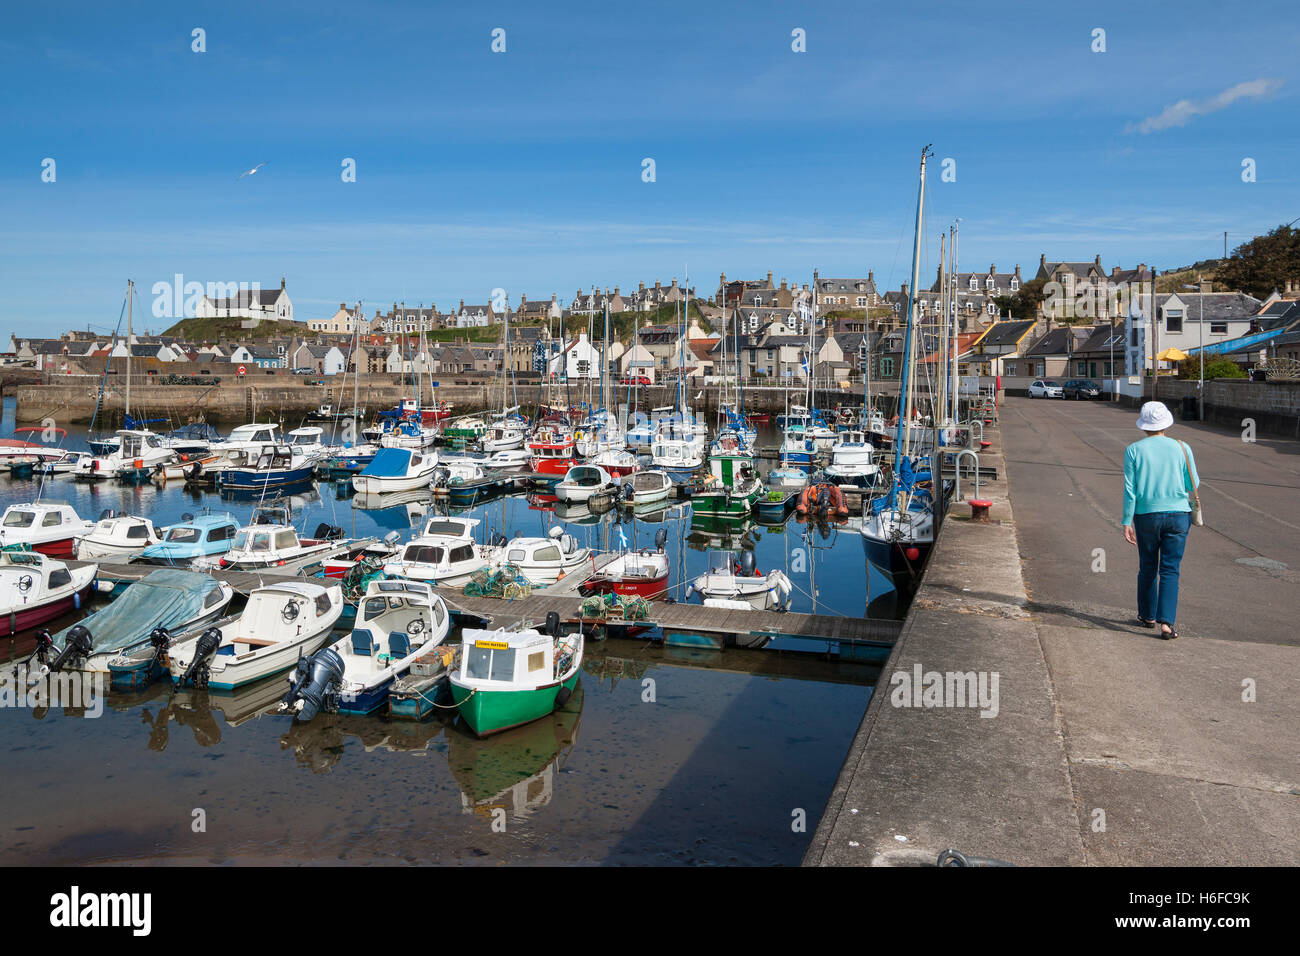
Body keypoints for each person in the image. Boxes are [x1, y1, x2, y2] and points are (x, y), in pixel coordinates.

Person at [1121, 401, 1200, 639]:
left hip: (1146, 516)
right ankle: (1167, 623)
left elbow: (1130, 490)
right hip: (1178, 515)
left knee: (1147, 567)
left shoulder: (1133, 450)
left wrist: (1126, 521)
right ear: (1167, 422)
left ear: (1143, 425)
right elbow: (1192, 484)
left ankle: (1147, 616)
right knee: (1170, 569)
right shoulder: (1182, 447)